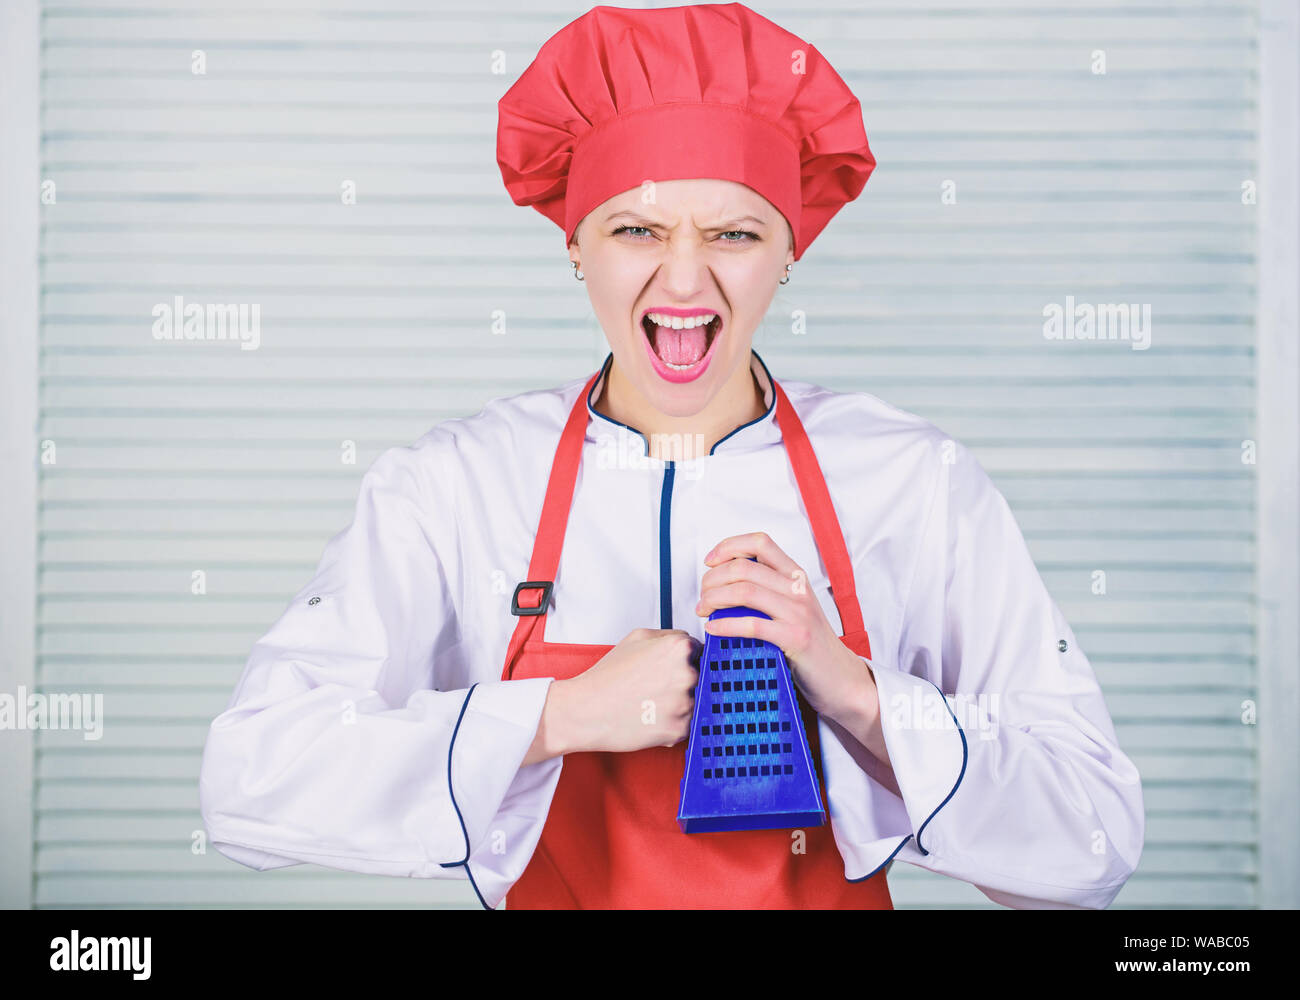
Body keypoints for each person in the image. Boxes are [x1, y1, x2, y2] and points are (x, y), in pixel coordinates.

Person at [199, 2, 1144, 910]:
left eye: (735, 232)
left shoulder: (913, 483)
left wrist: (853, 691)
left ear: (790, 250)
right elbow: (251, 782)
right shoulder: (459, 485)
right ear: (575, 244)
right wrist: (555, 717)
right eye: (636, 230)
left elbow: (1093, 838)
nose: (685, 279)